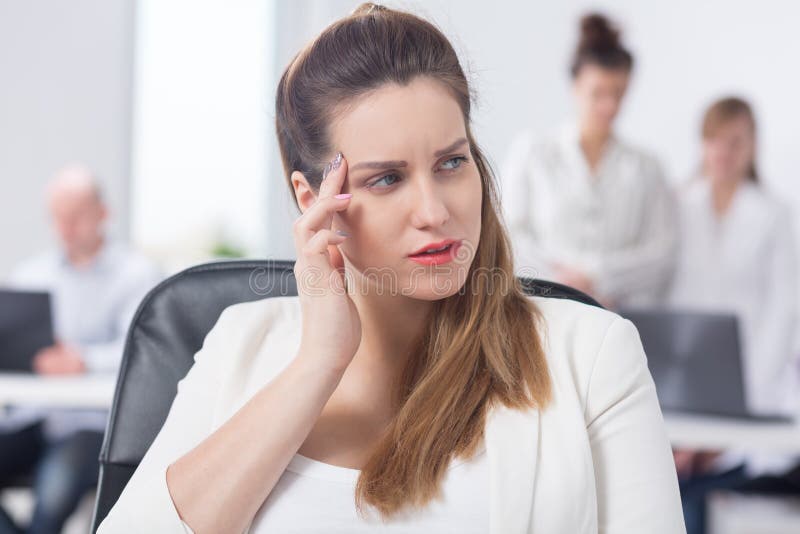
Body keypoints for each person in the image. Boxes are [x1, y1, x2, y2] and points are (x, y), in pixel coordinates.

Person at [97, 4, 685, 533]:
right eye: (386, 178)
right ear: (312, 200)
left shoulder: (593, 353)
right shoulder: (240, 342)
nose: (435, 212)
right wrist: (317, 363)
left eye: (452, 163)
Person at [0, 164, 161, 534]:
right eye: (58, 217)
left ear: (103, 214)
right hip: (32, 416)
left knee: (52, 495)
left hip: (93, 425)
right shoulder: (30, 275)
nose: (66, 227)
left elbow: (144, 351)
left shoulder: (138, 275)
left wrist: (82, 361)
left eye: (76, 216)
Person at [667, 97, 799, 534]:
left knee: (706, 473)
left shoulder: (773, 214)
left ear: (752, 146)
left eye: (735, 142)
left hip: (755, 387)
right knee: (672, 475)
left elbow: (782, 313)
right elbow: (667, 300)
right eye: (714, 142)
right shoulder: (679, 206)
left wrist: (733, 418)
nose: (723, 153)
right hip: (684, 384)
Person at [501, 13, 677, 309]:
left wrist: (598, 276)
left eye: (619, 94)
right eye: (598, 93)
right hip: (542, 309)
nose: (609, 106)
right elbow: (508, 236)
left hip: (618, 316)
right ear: (575, 86)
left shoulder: (648, 167)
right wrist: (564, 280)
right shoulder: (533, 153)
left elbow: (661, 254)